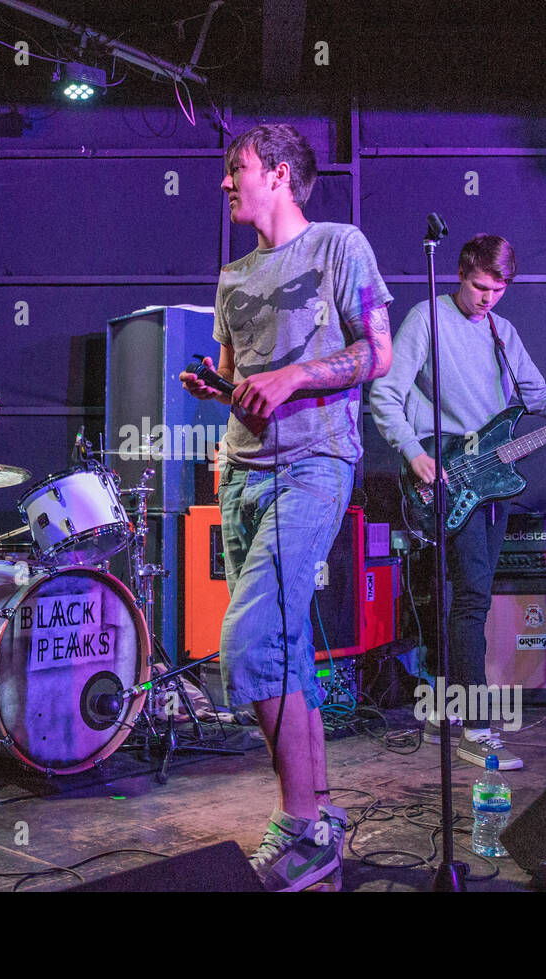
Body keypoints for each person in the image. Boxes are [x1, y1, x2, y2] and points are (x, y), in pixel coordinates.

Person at [180, 123, 393, 891]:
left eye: (234, 168)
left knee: (248, 641)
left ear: (275, 172)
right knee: (288, 648)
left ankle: (300, 828)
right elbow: (243, 378)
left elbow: (377, 352)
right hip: (242, 473)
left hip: (316, 463)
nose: (225, 182)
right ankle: (320, 814)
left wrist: (296, 377)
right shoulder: (233, 275)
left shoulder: (339, 244)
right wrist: (218, 387)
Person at [368, 234, 546, 770]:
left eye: (499, 289)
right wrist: (411, 453)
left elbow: (537, 397)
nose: (488, 298)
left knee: (472, 598)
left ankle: (450, 715)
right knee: (468, 599)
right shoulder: (427, 317)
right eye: (479, 287)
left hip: (492, 480)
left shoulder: (502, 329)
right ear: (459, 273)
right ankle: (473, 727)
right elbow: (385, 392)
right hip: (444, 470)